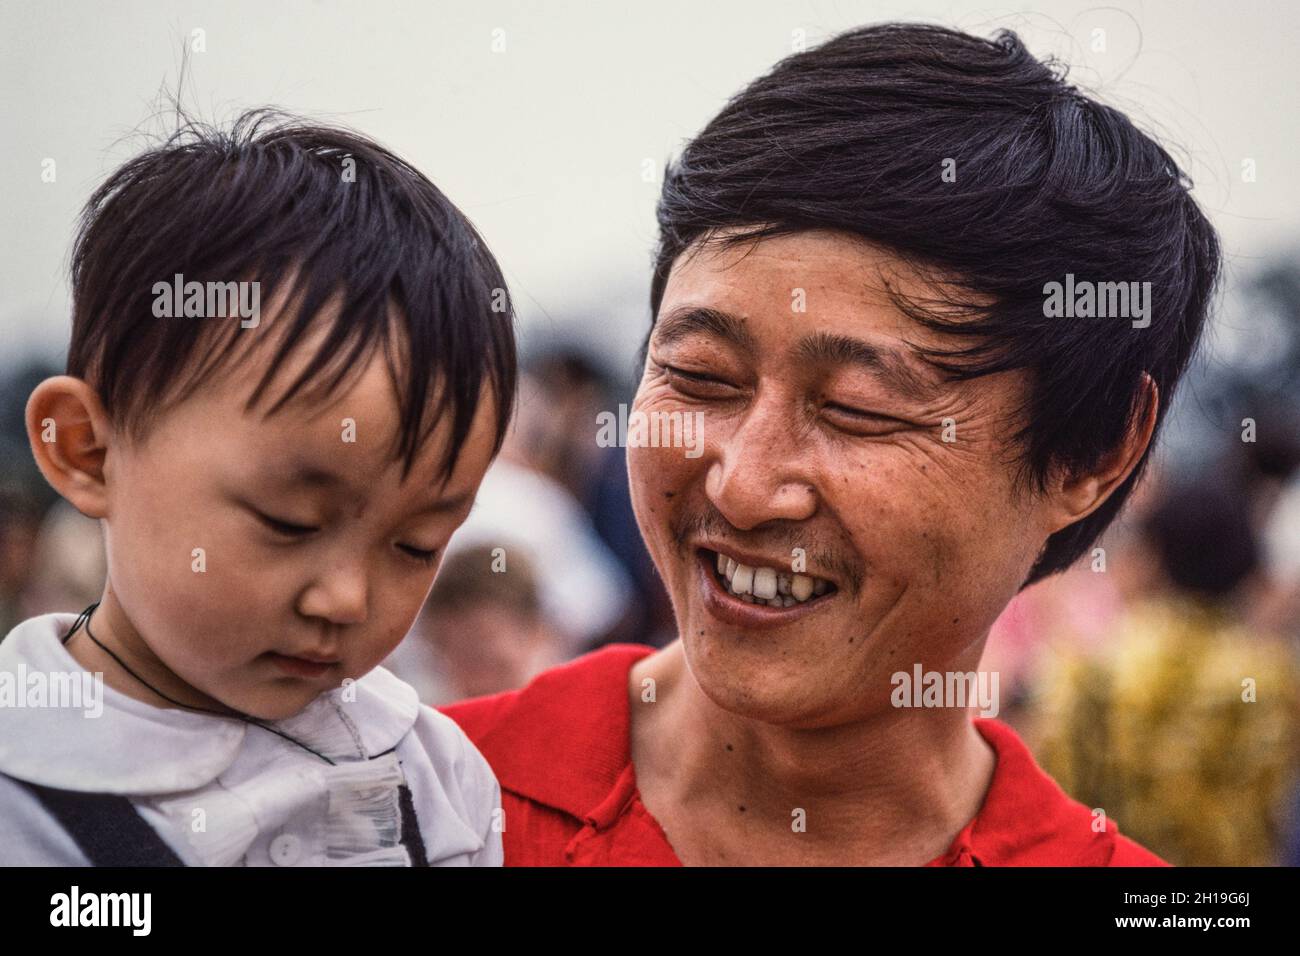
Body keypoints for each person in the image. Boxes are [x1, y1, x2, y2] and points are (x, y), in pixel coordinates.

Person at [439, 22, 1220, 865]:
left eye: (856, 409)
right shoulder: (420, 807)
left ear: (1093, 452)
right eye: (701, 376)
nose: (742, 484)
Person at [0, 110, 516, 866]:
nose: (346, 600)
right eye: (290, 522)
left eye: (415, 545)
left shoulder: (430, 779)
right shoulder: (27, 792)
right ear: (86, 451)